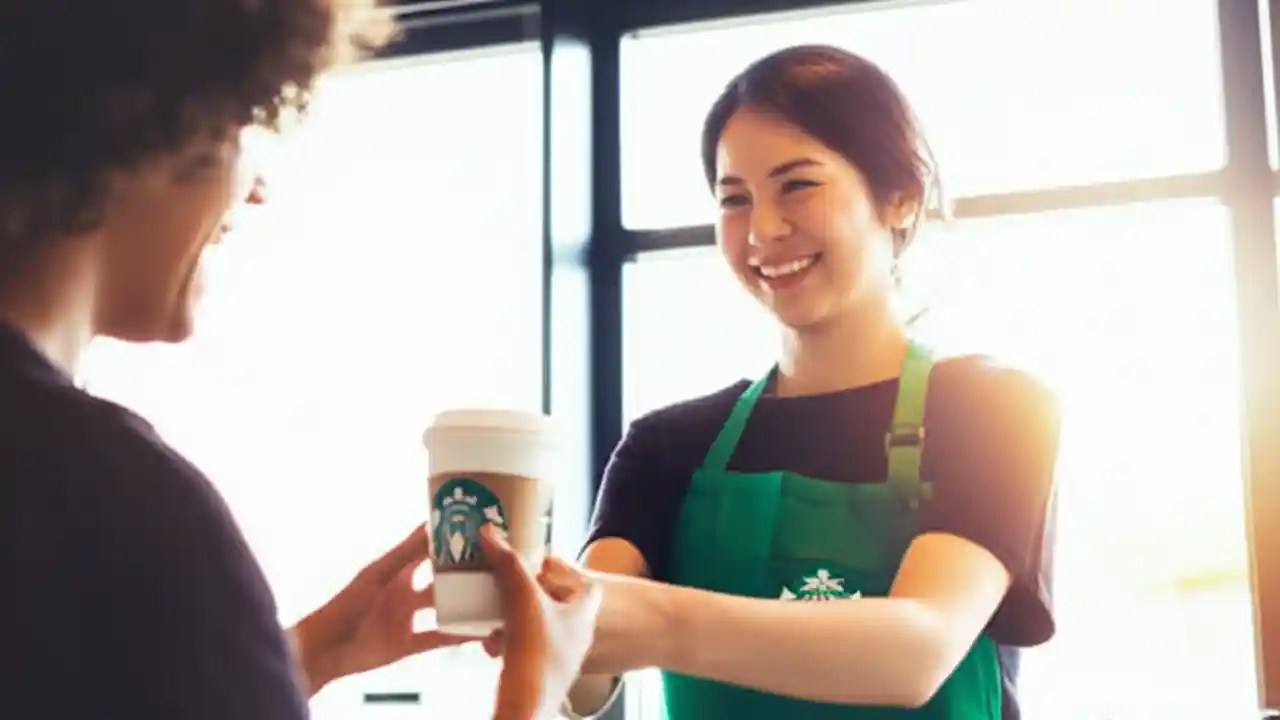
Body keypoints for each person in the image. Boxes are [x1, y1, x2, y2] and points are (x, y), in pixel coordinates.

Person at [0, 1, 596, 718]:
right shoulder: (119, 505)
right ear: (148, 128)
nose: (254, 187)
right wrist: (536, 685)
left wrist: (307, 654)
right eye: (240, 127)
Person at [552, 45, 1062, 719]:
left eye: (798, 185)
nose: (763, 229)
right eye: (735, 199)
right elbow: (581, 679)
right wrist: (537, 617)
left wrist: (653, 620)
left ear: (901, 199)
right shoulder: (668, 444)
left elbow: (915, 650)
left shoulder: (994, 409)